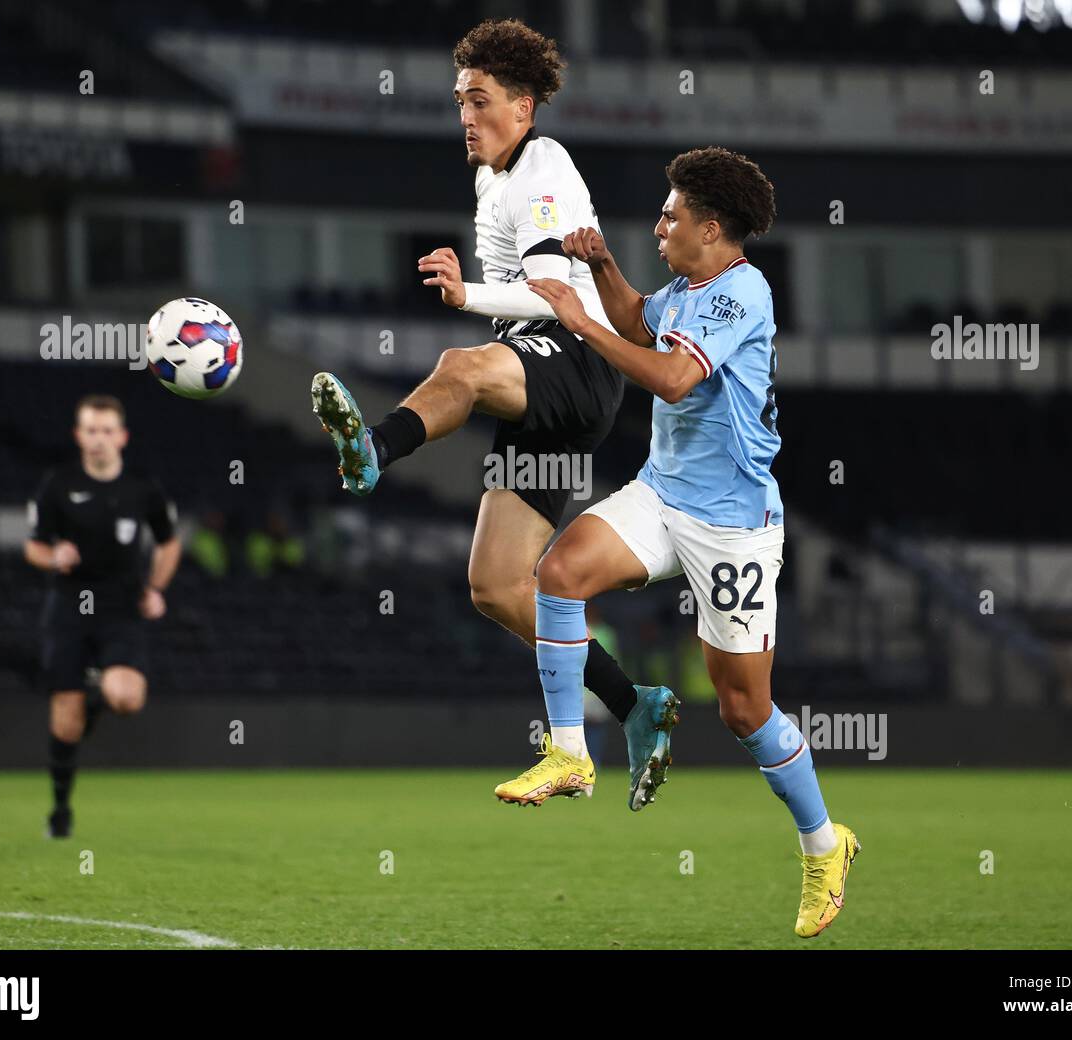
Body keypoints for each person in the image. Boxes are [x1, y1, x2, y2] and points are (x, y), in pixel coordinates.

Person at [310, 19, 676, 809]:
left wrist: (465, 293)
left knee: (460, 369)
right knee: (498, 585)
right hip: (542, 381)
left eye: (479, 101)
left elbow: (554, 296)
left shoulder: (542, 170)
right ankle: (634, 704)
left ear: (524, 106)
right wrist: (474, 292)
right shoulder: (491, 177)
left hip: (576, 363)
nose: (465, 117)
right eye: (458, 102)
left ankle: (371, 451)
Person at [520, 146, 861, 937]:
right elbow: (642, 320)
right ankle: (570, 751)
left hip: (733, 524)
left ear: (712, 228)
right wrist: (603, 271)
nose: (660, 223)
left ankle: (823, 845)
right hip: (662, 493)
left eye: (672, 214)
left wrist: (576, 318)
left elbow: (673, 379)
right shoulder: (691, 287)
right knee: (560, 571)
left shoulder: (743, 291)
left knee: (744, 711)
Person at [24, 395, 180, 838]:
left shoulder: (142, 488)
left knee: (127, 698)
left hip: (121, 609)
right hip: (68, 609)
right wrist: (53, 554)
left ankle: (96, 693)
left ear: (122, 437)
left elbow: (169, 544)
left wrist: (156, 589)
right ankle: (60, 810)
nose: (99, 439)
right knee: (65, 718)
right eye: (91, 430)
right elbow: (32, 546)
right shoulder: (57, 484)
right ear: (79, 436)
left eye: (107, 430)